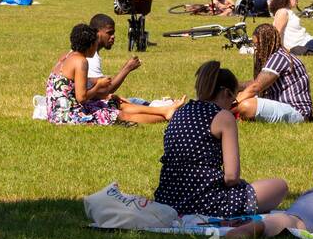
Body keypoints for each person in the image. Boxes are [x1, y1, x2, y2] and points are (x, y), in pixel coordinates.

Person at [153, 60, 288, 217]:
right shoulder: (223, 117)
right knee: (280, 186)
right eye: (233, 101)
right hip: (206, 202)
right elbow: (231, 177)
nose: (233, 105)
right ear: (226, 93)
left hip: (167, 200)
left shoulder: (178, 113)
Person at [45, 24, 176, 125]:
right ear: (90, 45)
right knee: (119, 115)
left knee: (113, 103)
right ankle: (166, 117)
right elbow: (82, 98)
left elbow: (72, 83)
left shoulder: (67, 56)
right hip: (66, 115)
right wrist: (98, 86)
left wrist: (100, 86)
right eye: (95, 44)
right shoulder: (81, 61)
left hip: (56, 111)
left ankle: (164, 110)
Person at [232, 24, 313, 123]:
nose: (255, 48)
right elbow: (259, 82)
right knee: (238, 94)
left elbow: (256, 87)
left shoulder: (279, 58)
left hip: (297, 112)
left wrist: (233, 103)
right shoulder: (279, 55)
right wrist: (234, 86)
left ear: (267, 43)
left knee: (246, 105)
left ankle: (221, 114)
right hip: (283, 106)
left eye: (257, 44)